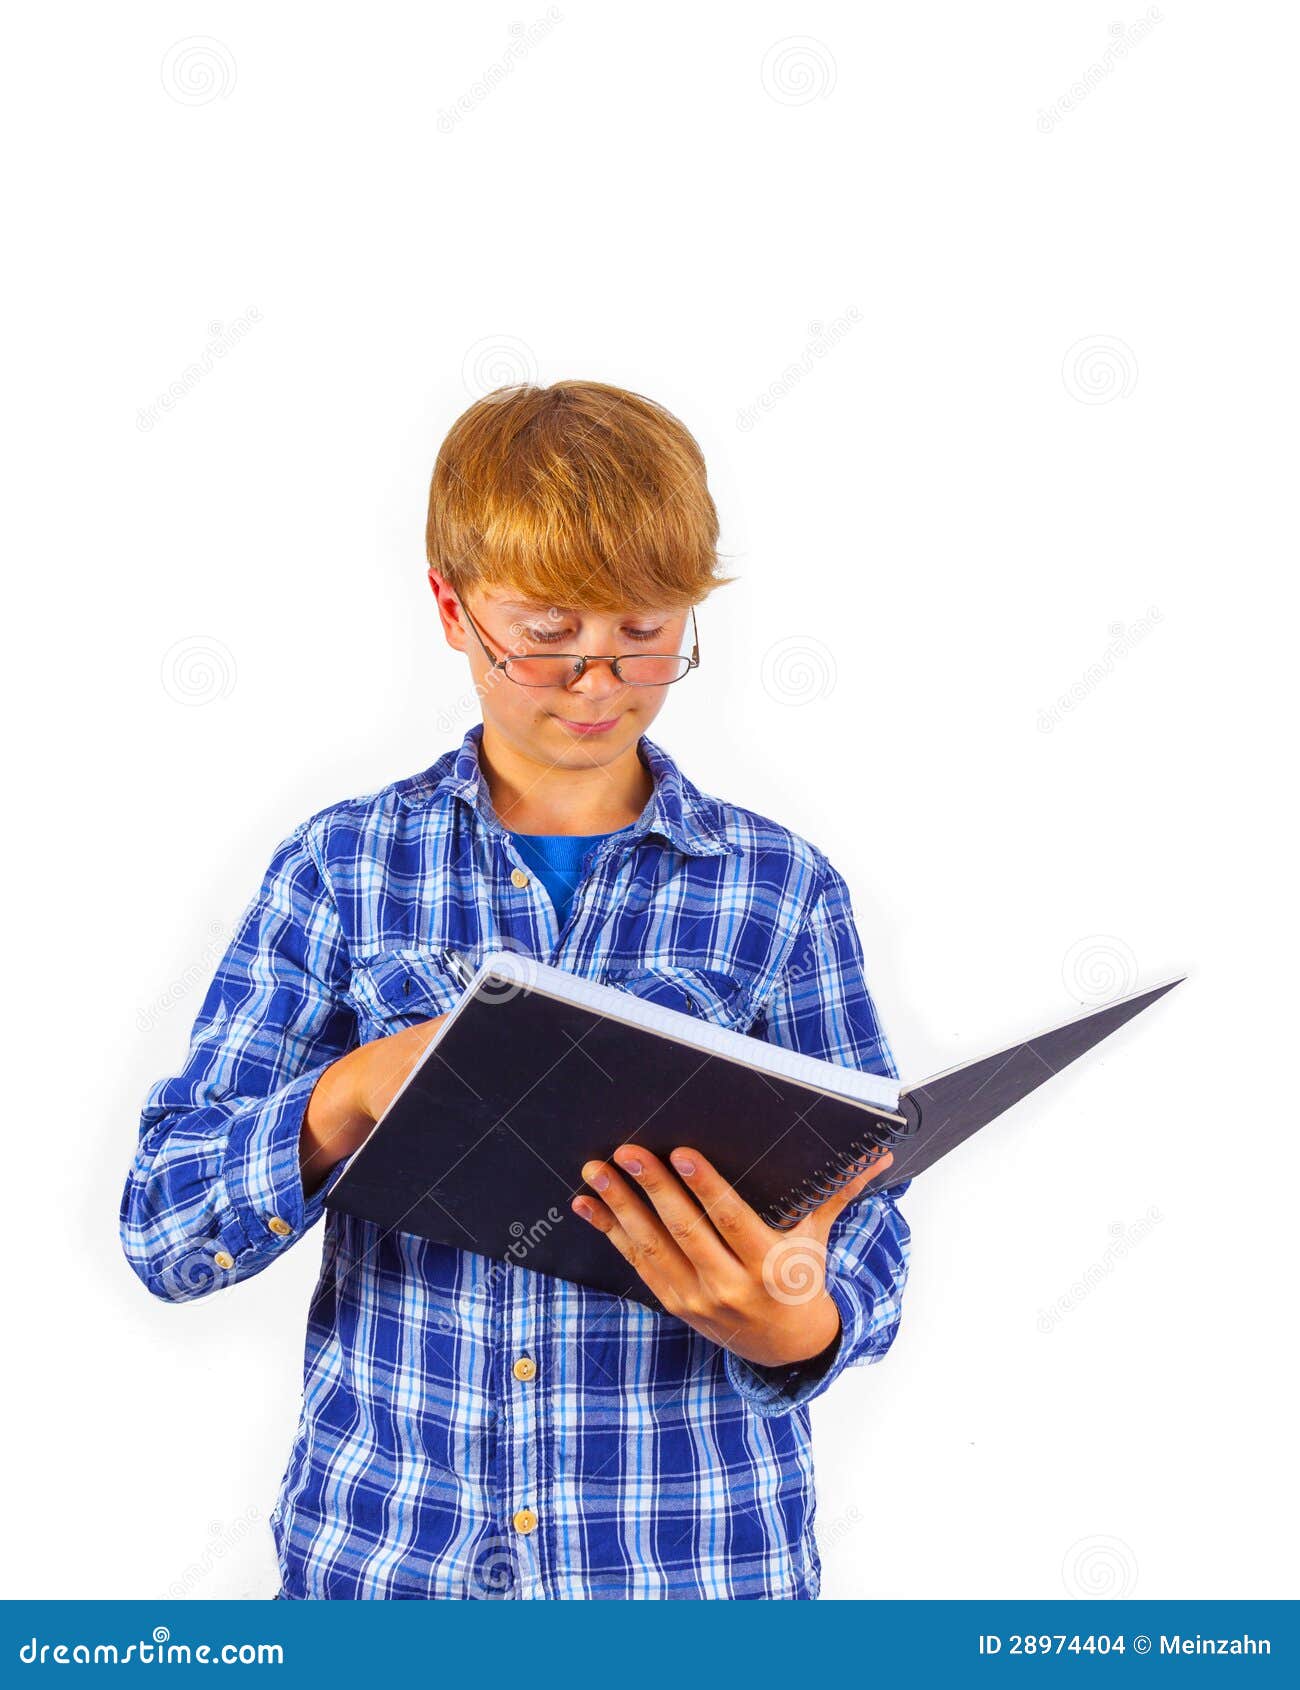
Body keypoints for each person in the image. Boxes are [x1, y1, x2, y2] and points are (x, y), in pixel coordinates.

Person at [120, 379, 912, 1600]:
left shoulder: (781, 889)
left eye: (644, 633)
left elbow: (868, 1209)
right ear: (452, 608)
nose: (597, 682)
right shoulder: (342, 869)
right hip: (392, 1578)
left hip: (696, 1581)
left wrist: (800, 1321)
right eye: (545, 633)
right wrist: (351, 1092)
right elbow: (165, 1229)